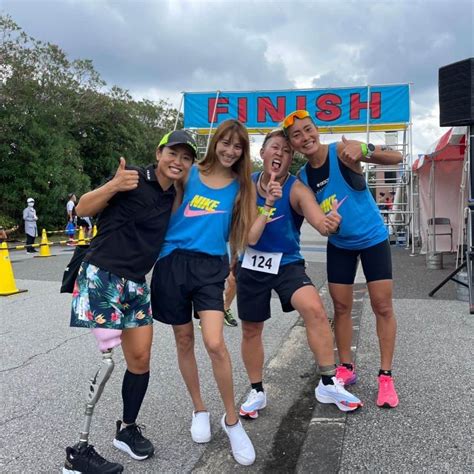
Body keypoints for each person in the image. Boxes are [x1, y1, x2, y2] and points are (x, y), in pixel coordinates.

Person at [63, 130, 197, 473]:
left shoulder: (175, 194)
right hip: (103, 275)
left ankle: (126, 429)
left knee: (140, 360)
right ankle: (78, 453)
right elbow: (83, 208)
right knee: (108, 362)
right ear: (159, 153)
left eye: (186, 157)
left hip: (136, 284)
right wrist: (113, 185)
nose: (178, 161)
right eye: (173, 153)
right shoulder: (133, 177)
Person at [151, 119, 256, 466]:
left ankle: (232, 420)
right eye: (225, 143)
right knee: (184, 340)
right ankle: (199, 409)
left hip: (211, 267)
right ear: (215, 143)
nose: (230, 151)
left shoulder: (241, 187)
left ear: (243, 152)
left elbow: (248, 235)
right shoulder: (189, 172)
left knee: (214, 342)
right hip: (173, 261)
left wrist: (269, 203)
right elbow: (158, 187)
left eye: (238, 146)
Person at [237, 129, 362, 419]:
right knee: (251, 329)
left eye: (286, 151)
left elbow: (320, 222)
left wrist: (330, 224)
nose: (280, 154)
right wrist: (268, 203)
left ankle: (328, 382)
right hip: (251, 264)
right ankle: (256, 390)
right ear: (262, 153)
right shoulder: (246, 185)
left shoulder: (296, 189)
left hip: (286, 263)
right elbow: (246, 236)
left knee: (315, 309)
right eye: (275, 148)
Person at [282, 110, 403, 408]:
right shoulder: (303, 178)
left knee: (382, 306)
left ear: (317, 129)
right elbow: (314, 218)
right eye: (296, 135)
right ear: (293, 145)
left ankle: (386, 377)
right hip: (340, 245)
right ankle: (346, 368)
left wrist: (365, 150)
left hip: (373, 239)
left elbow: (396, 157)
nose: (305, 137)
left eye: (308, 129)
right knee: (340, 308)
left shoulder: (341, 151)